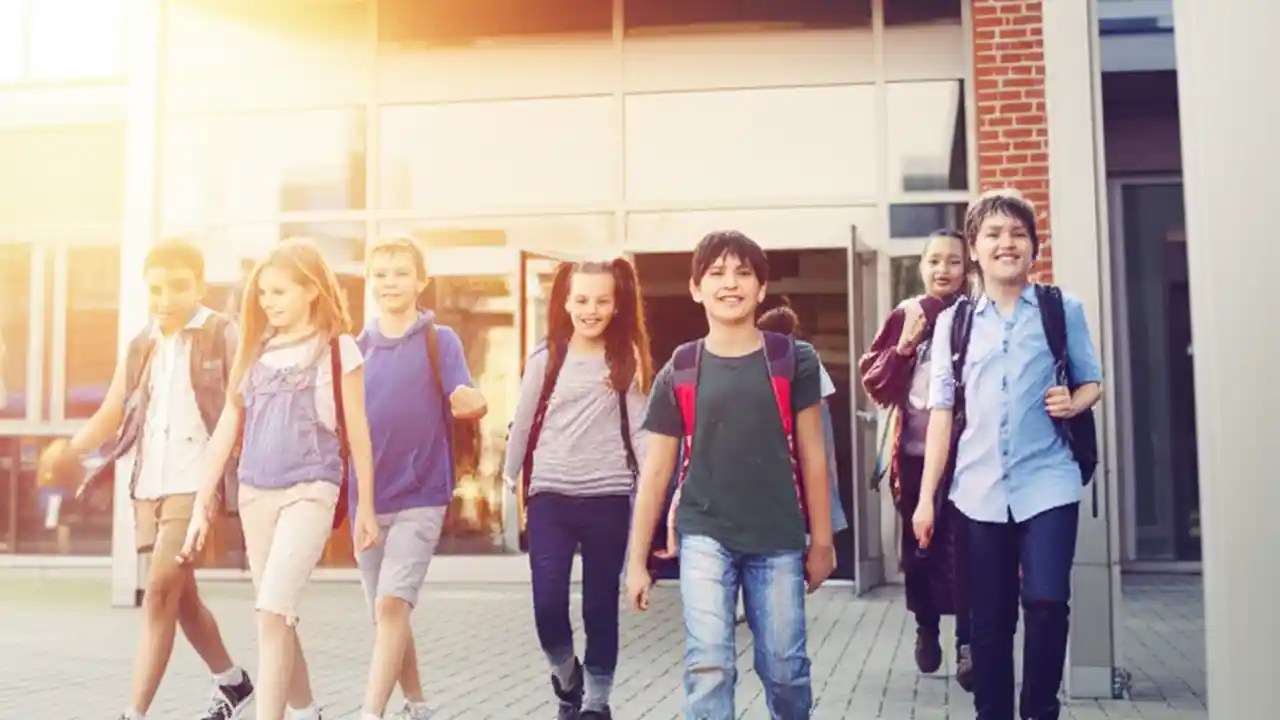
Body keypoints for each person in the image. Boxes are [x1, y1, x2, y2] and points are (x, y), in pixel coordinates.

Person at [625, 230, 835, 720]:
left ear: (761, 288)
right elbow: (656, 472)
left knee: (785, 667)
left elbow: (814, 456)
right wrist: (637, 562)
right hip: (704, 534)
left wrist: (821, 542)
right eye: (716, 273)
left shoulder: (792, 358)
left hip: (777, 535)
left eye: (743, 273)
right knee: (709, 665)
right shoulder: (681, 367)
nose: (730, 283)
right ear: (696, 288)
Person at [37, 240, 251, 720]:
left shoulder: (223, 333)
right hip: (148, 486)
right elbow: (112, 412)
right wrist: (68, 449)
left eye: (178, 287)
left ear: (198, 286)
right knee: (180, 597)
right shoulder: (141, 345)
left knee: (157, 592)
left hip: (196, 483)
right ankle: (233, 682)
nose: (166, 299)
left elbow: (243, 406)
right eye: (156, 289)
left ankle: (134, 713)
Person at [913, 190, 1103, 720]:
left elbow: (1093, 382)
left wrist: (1073, 400)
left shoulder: (1062, 310)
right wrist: (927, 499)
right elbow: (943, 414)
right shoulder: (955, 322)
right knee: (990, 620)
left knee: (1046, 601)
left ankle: (1040, 709)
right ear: (974, 248)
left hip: (1049, 480)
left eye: (1018, 234)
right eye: (994, 234)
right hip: (977, 490)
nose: (1006, 243)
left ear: (1033, 248)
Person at [179, 238, 380, 720]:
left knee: (271, 612)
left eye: (280, 292)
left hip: (311, 490)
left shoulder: (337, 349)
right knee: (278, 615)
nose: (268, 302)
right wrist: (202, 501)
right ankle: (308, 712)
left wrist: (366, 507)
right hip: (255, 495)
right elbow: (228, 425)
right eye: (263, 293)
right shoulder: (255, 350)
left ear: (311, 290)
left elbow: (360, 434)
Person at [504, 258, 653, 720]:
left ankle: (595, 703)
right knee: (548, 606)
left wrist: (655, 486)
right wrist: (510, 480)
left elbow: (643, 435)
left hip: (609, 498)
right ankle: (567, 675)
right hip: (549, 497)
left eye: (602, 300)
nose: (591, 309)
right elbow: (523, 422)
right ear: (566, 302)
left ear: (616, 303)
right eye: (582, 299)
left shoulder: (625, 356)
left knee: (599, 607)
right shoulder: (547, 358)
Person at [355, 237, 488, 720]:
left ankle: (371, 713)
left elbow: (462, 390)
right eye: (380, 274)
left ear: (420, 281)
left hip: (421, 494)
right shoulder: (355, 350)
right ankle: (417, 705)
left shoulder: (440, 339)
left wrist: (470, 399)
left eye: (400, 272)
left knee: (392, 605)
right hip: (367, 502)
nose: (390, 282)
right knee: (389, 613)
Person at [859, 229, 974, 688]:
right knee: (922, 552)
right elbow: (875, 382)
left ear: (968, 269)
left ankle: (969, 643)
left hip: (969, 458)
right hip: (914, 456)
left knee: (969, 550)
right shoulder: (908, 314)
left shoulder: (978, 315)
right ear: (921, 266)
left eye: (954, 262)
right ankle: (927, 627)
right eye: (934, 261)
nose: (943, 270)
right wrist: (905, 347)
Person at [756, 302, 850, 538]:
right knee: (820, 471)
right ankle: (827, 524)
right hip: (810, 420)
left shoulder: (761, 354)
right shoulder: (804, 353)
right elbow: (822, 401)